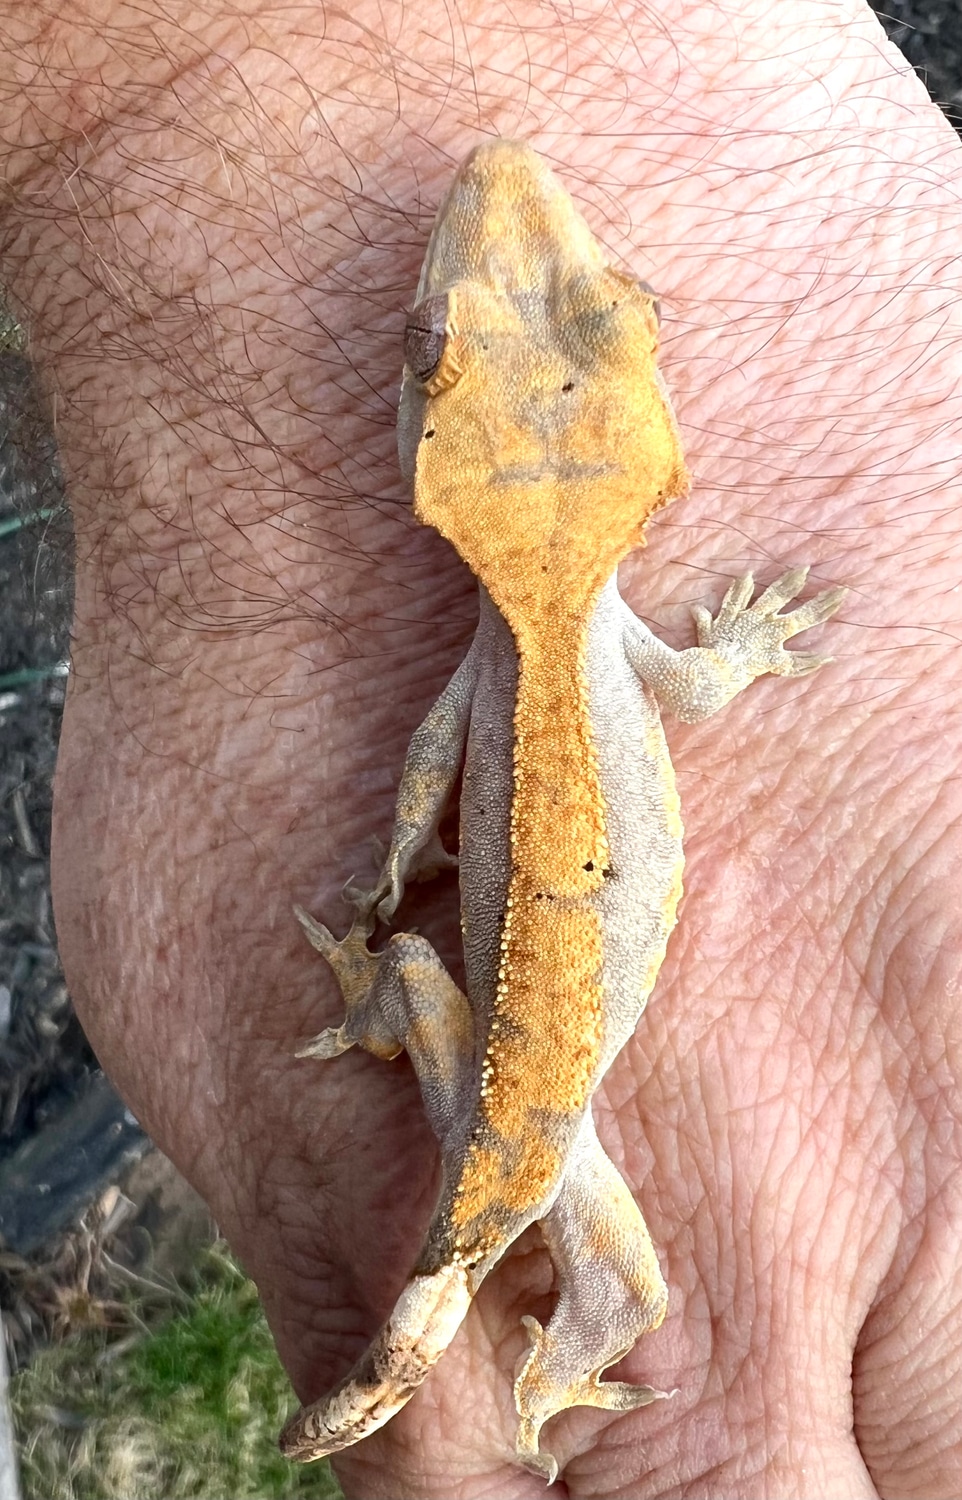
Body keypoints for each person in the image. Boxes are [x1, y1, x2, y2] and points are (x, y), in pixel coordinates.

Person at [1, 1, 960, 1494]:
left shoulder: (497, 668)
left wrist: (399, 863)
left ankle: (501, 1327)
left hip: (526, 1126)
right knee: (594, 1252)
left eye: (608, 314)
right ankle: (539, 1350)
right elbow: (694, 685)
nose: (506, 182)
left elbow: (422, 796)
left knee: (609, 1279)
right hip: (515, 1107)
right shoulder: (607, 643)